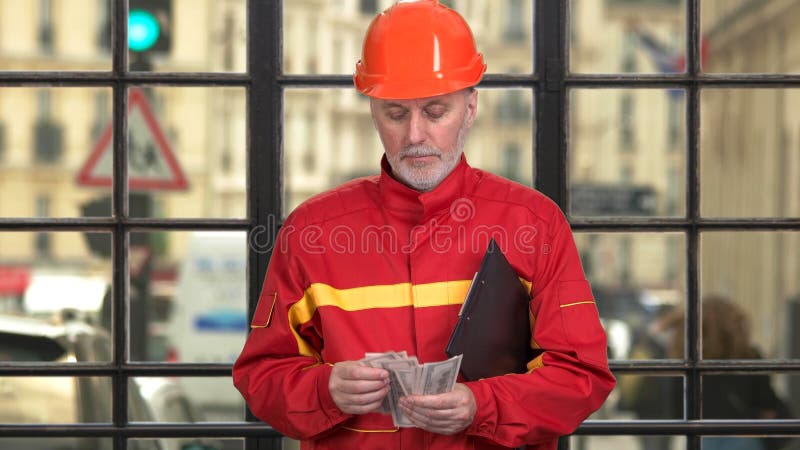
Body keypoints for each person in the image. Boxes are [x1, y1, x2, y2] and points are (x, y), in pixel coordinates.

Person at [232, 1, 615, 448]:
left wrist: (480, 405)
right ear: (373, 111)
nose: (415, 135)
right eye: (396, 114)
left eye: (435, 112)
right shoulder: (310, 232)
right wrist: (326, 389)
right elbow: (260, 374)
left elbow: (582, 375)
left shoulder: (535, 224)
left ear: (471, 108)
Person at [655, 295, 794, 450]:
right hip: (744, 438)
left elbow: (675, 410)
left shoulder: (686, 361)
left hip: (701, 438)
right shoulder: (749, 355)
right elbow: (767, 403)